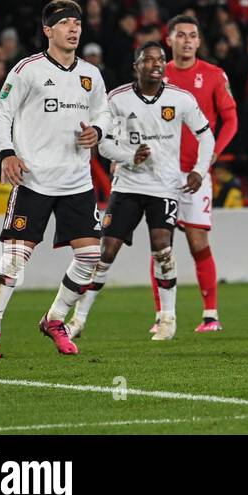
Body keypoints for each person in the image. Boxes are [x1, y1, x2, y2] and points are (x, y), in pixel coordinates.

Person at [0, 0, 107, 359]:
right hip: (34, 179)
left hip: (77, 182)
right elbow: (1, 111)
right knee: (15, 259)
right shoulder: (27, 70)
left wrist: (97, 130)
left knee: (90, 257)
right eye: (65, 23)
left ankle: (55, 319)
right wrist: (6, 152)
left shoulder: (91, 75)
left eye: (77, 23)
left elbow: (105, 113)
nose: (74, 29)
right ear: (48, 30)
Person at [67, 42, 213, 340]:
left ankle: (168, 320)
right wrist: (128, 156)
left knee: (163, 249)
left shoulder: (181, 99)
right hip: (129, 186)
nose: (157, 64)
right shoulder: (117, 99)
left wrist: (199, 170)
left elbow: (206, 136)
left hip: (164, 188)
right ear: (137, 66)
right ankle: (78, 320)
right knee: (104, 253)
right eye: (149, 60)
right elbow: (102, 141)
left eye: (161, 59)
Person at [150, 14, 238, 333]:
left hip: (196, 173)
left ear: (199, 42)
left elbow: (230, 119)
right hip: (160, 173)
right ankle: (162, 316)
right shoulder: (157, 75)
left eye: (193, 36)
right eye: (181, 35)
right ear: (169, 40)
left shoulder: (213, 76)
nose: (187, 41)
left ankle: (211, 315)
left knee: (198, 241)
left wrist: (213, 155)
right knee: (161, 242)